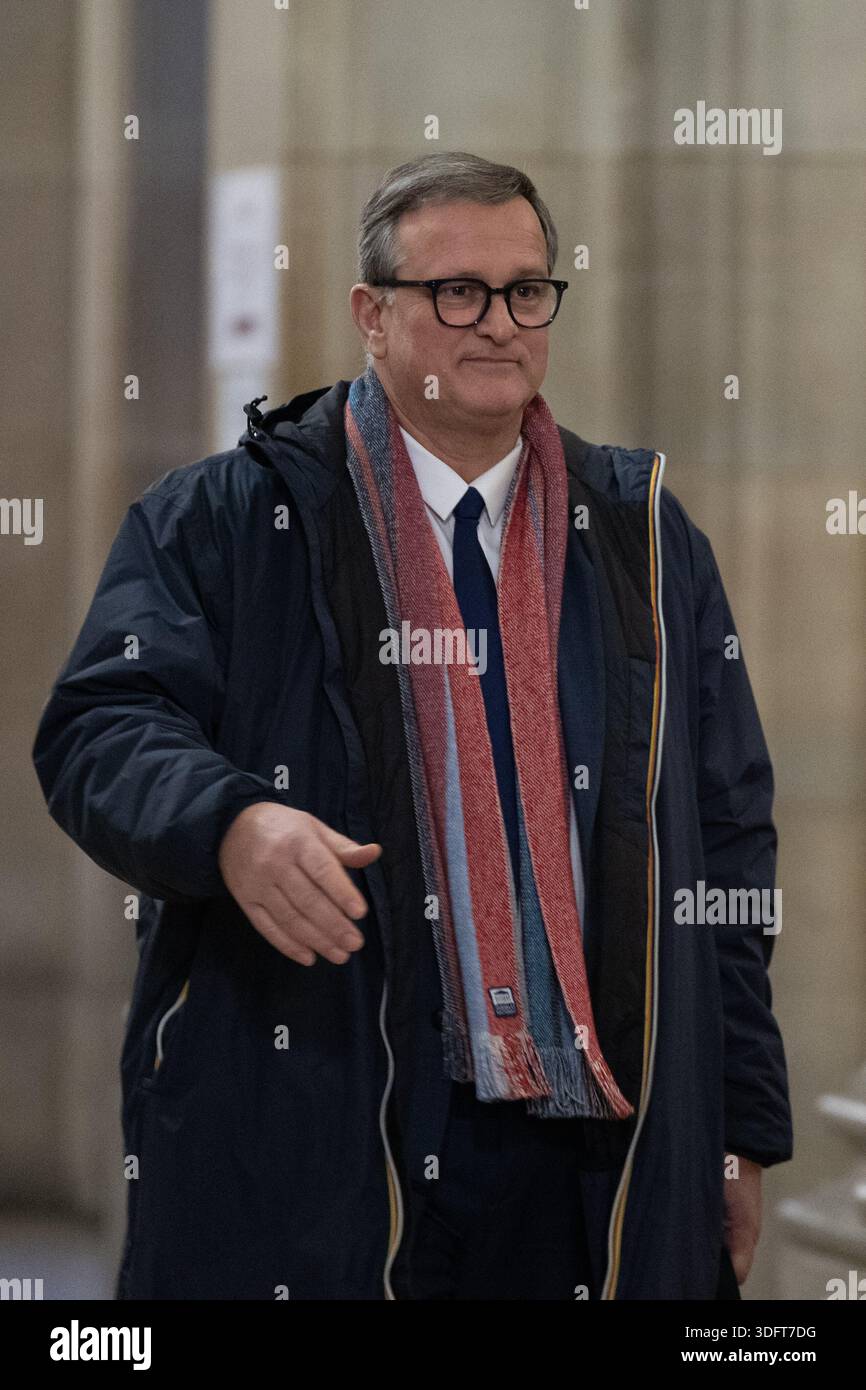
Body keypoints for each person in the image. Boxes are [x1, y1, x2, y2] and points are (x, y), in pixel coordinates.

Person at [32, 150, 792, 1300]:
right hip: (336, 1121)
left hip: (597, 1149)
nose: (497, 324)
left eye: (525, 290)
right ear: (370, 316)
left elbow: (727, 838)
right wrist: (230, 822)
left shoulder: (641, 538)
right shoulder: (230, 520)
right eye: (456, 292)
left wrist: (737, 1124)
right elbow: (98, 724)